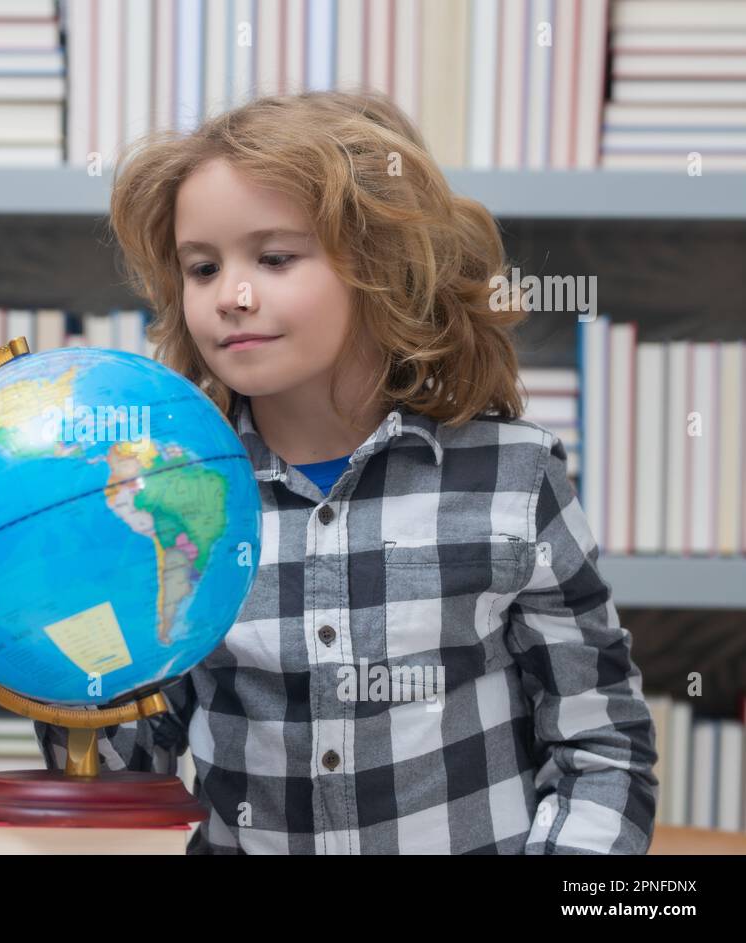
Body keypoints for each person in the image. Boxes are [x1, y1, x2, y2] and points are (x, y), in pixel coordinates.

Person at [35, 89, 657, 854]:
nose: (230, 296)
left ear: (382, 266)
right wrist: (66, 620)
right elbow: (125, 775)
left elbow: (603, 745)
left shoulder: (513, 477)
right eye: (202, 267)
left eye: (273, 257)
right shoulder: (168, 499)